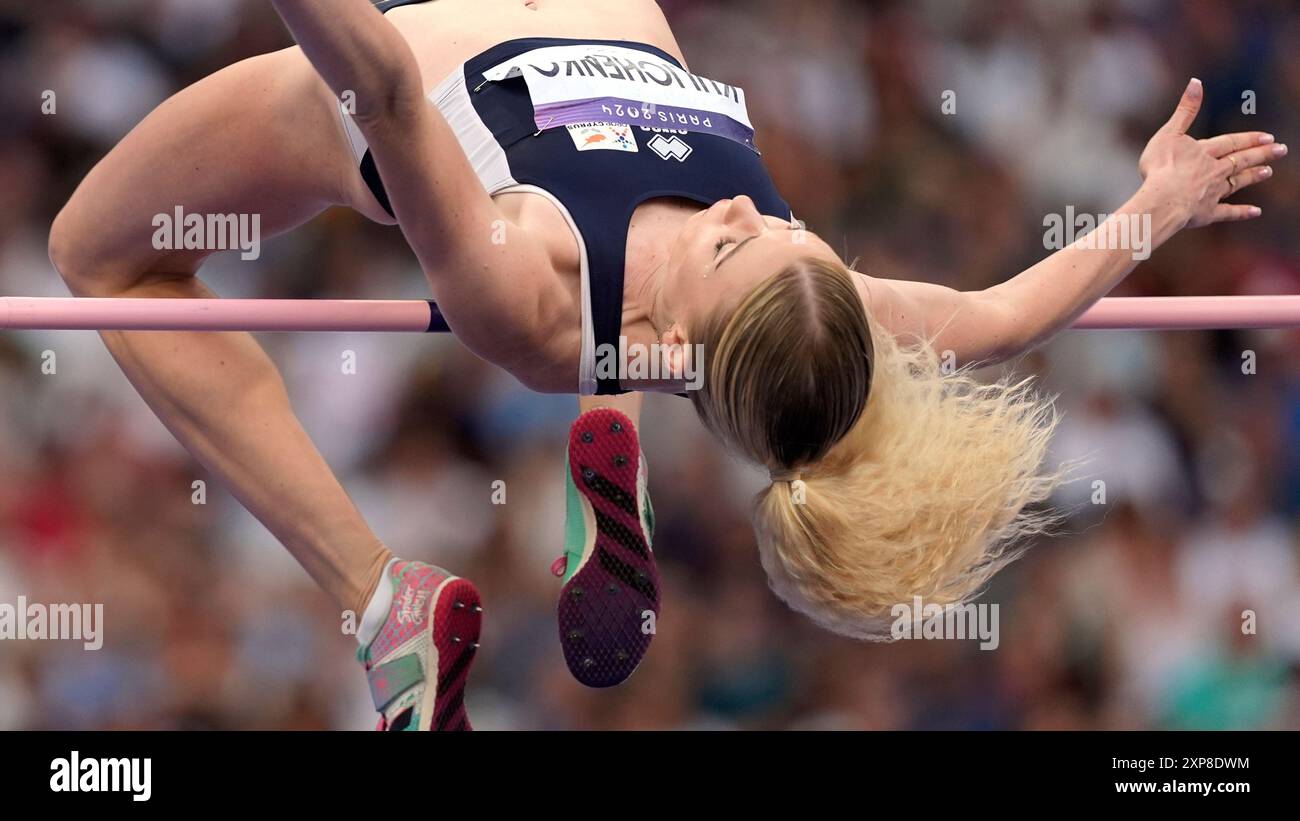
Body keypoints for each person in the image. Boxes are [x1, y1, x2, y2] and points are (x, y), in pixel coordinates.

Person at [46, 0, 1283, 730]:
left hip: (466, 116)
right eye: (794, 230)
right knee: (595, 303)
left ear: (687, 347)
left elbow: (375, 88)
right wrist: (1152, 206)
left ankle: (387, 598)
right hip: (573, 102)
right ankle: (579, 427)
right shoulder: (814, 299)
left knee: (99, 259)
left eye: (747, 242)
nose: (764, 218)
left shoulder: (515, 275)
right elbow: (1005, 311)